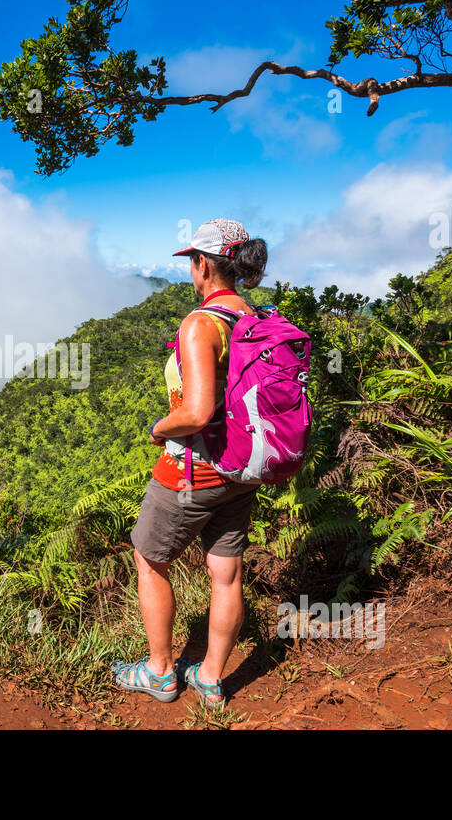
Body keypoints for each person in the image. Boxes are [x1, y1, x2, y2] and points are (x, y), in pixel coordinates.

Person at [111, 218, 268, 709]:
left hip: (193, 469)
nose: (190, 271)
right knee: (227, 573)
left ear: (203, 264)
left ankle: (160, 673)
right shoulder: (258, 318)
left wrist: (160, 428)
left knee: (150, 558)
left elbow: (197, 411)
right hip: (242, 468)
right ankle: (211, 678)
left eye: (191, 262)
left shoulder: (202, 323)